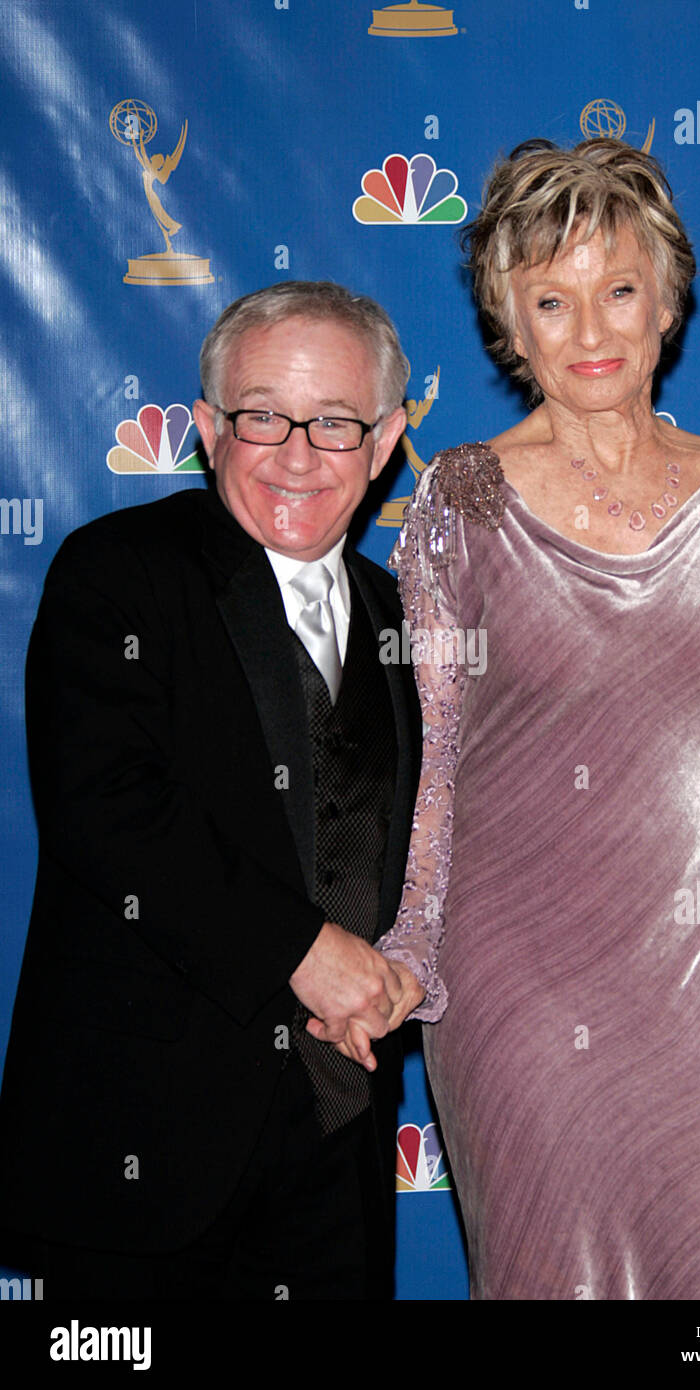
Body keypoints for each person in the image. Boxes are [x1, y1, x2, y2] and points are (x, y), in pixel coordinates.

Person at [339, 139, 700, 1299]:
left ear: (666, 301)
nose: (589, 330)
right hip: (516, 981)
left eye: (617, 289)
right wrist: (409, 956)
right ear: (507, 325)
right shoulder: (456, 506)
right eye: (549, 299)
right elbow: (434, 767)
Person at [0, 281, 422, 1299]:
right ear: (205, 428)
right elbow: (110, 808)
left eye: (333, 423)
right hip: (145, 1158)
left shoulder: (405, 616)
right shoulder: (118, 573)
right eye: (260, 415)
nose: (295, 453)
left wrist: (410, 966)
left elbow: (427, 839)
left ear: (385, 441)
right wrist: (301, 951)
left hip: (337, 1155)